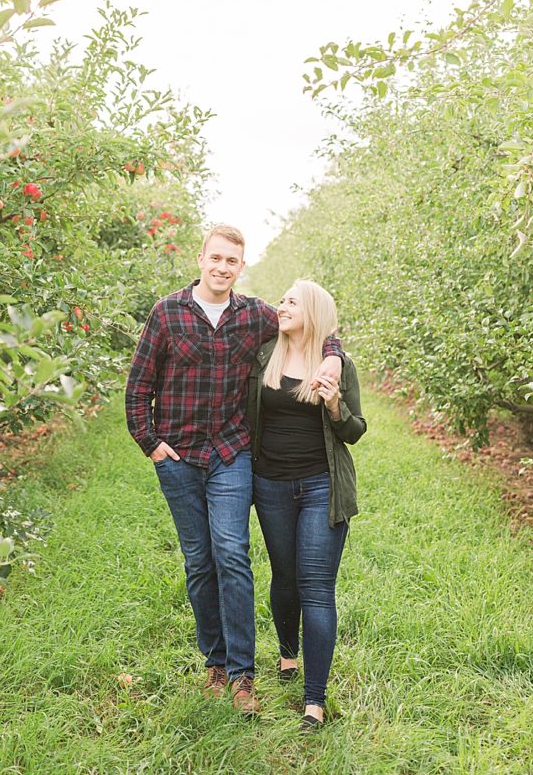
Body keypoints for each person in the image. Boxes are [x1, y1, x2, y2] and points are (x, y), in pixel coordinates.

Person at [125, 224, 343, 715]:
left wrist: (332, 359)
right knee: (199, 561)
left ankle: (244, 675)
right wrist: (151, 443)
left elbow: (315, 324)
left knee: (231, 553)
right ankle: (216, 662)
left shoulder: (254, 315)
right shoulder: (166, 313)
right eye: (216, 258)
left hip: (231, 453)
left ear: (241, 268)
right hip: (178, 457)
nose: (222, 268)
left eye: (232, 261)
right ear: (200, 259)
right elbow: (139, 387)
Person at [247, 279, 365, 730]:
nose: (282, 306)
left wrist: (334, 405)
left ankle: (314, 701)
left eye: (292, 301)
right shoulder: (264, 354)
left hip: (321, 485)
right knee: (284, 576)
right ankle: (287, 654)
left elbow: (354, 431)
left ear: (312, 311)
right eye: (281, 300)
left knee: (316, 588)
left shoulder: (339, 365)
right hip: (270, 484)